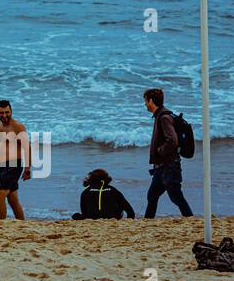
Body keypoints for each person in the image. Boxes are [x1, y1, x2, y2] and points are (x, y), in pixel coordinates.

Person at [144, 87, 193, 218]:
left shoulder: (164, 117)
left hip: (169, 166)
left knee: (176, 197)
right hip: (162, 166)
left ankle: (190, 219)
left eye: (145, 101)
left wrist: (160, 151)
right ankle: (148, 223)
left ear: (150, 101)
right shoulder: (160, 115)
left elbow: (172, 140)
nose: (144, 104)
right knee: (152, 196)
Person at [0, 99, 30, 219]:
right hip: (3, 165)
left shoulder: (17, 127)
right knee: (12, 199)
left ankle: (1, 225)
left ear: (11, 111)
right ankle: (22, 224)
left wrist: (27, 168)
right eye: (1, 113)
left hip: (14, 165)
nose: (4, 115)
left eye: (7, 112)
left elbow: (27, 147)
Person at [71, 169, 136, 219]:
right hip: (113, 219)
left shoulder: (86, 192)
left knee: (77, 215)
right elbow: (130, 212)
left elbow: (84, 212)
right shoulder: (113, 190)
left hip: (91, 219)